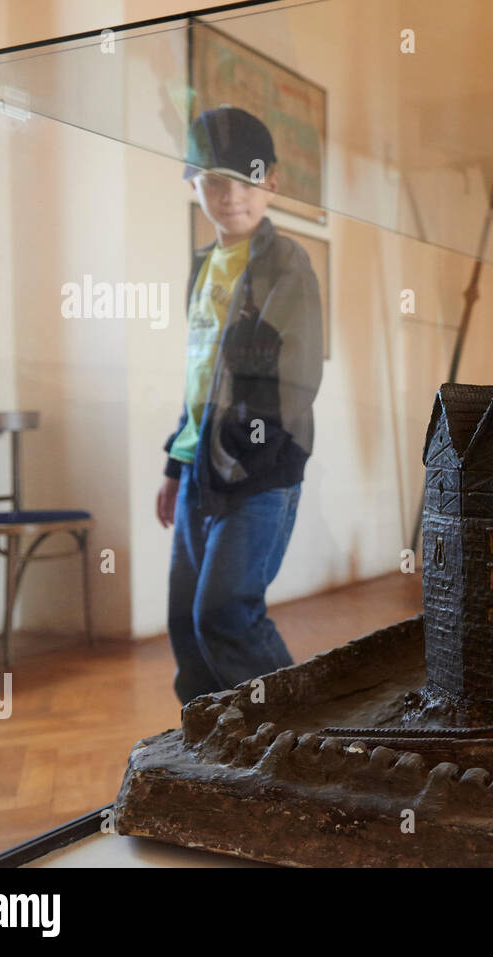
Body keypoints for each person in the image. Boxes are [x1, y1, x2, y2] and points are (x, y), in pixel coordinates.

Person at [157, 106, 323, 705]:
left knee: (225, 612)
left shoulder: (288, 265)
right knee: (185, 621)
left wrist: (240, 452)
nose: (231, 196)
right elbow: (200, 378)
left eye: (245, 179)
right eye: (214, 182)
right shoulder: (202, 267)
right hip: (198, 469)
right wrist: (176, 467)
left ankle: (302, 734)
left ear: (272, 181)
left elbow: (295, 378)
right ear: (193, 185)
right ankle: (207, 750)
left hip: (258, 471)